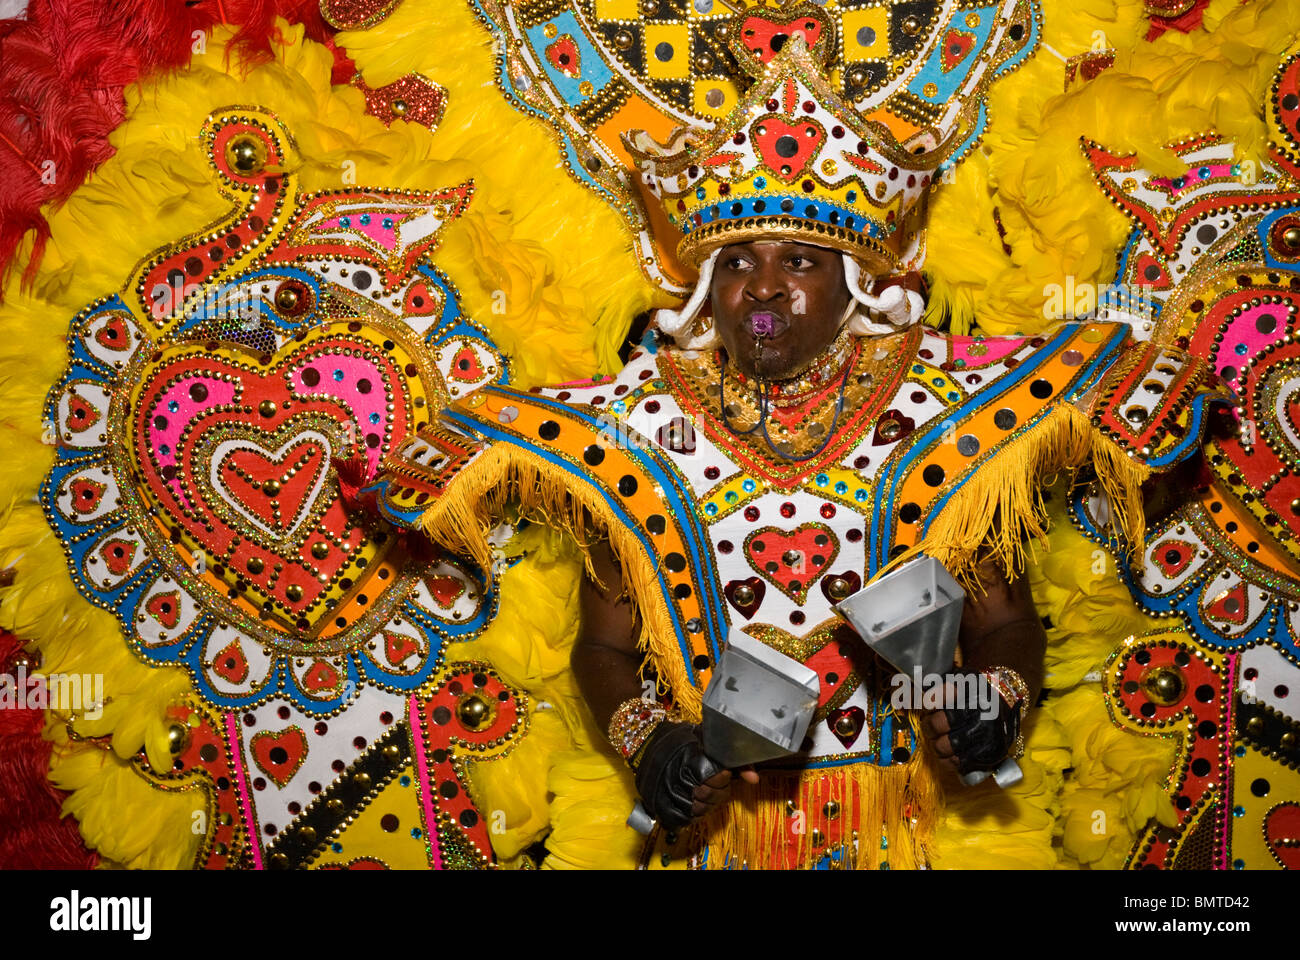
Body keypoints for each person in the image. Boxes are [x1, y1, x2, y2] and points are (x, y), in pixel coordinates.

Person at [371, 38, 1229, 869]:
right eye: (739, 260)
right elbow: (602, 647)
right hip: (717, 839)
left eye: (802, 259)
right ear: (711, 287)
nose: (767, 285)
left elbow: (1004, 625)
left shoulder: (940, 411)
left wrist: (992, 704)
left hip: (910, 832)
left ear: (852, 282)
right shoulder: (641, 425)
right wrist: (651, 745)